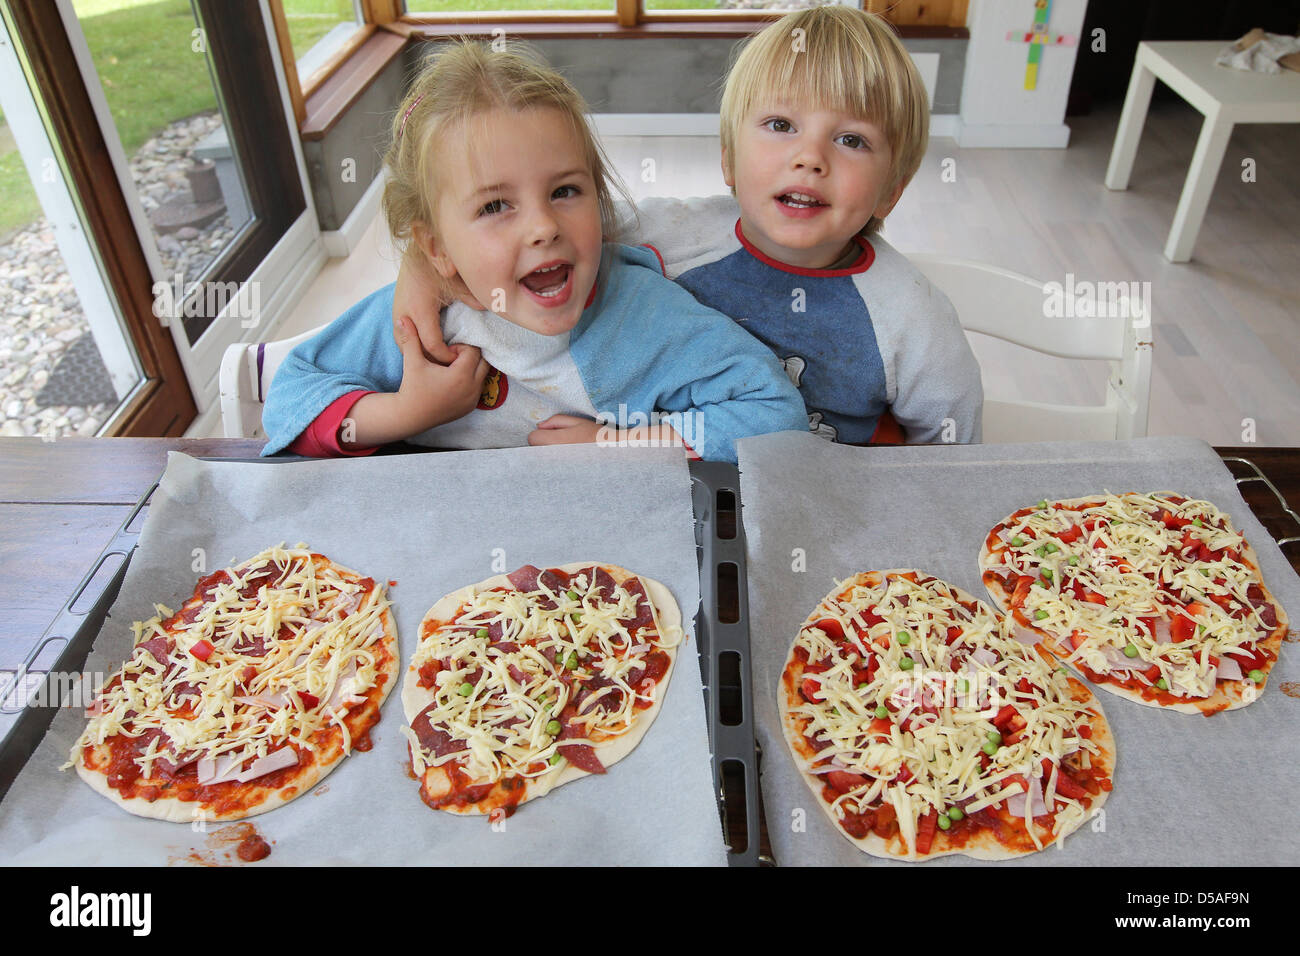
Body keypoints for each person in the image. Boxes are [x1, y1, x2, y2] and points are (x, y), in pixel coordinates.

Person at [395, 7, 983, 445]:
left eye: (851, 139)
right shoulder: (664, 232)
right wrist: (421, 268)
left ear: (894, 188)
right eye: (780, 125)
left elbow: (954, 462)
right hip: (664, 501)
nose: (810, 158)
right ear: (727, 158)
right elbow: (532, 234)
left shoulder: (913, 319)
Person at [261, 41, 806, 463]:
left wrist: (618, 444)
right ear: (437, 248)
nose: (544, 227)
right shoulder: (423, 323)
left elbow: (775, 415)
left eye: (565, 191)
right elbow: (290, 399)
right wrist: (407, 411)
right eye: (496, 206)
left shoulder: (644, 313)